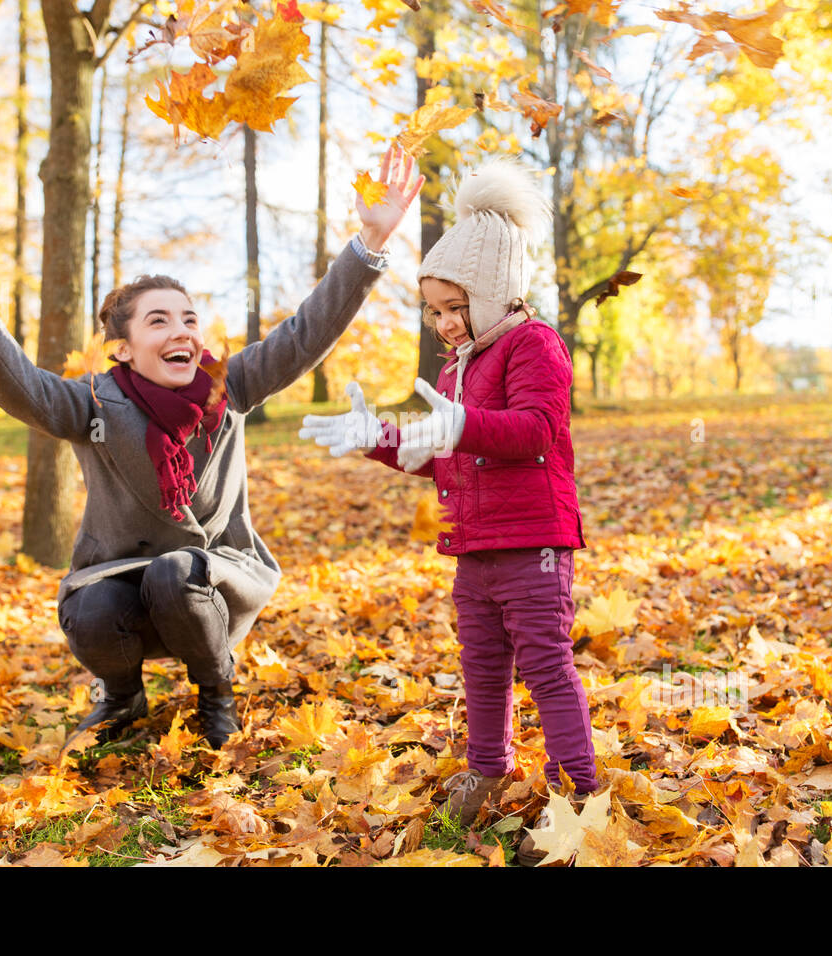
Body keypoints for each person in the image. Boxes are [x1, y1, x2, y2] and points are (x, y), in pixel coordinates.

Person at [0, 145, 423, 748]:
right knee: (90, 610)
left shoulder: (227, 386)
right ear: (123, 348)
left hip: (208, 579)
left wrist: (368, 244)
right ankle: (122, 695)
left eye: (188, 319)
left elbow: (305, 333)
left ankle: (216, 688)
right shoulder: (92, 402)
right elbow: (26, 391)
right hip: (118, 585)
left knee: (173, 570)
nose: (181, 330)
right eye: (158, 321)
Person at [299, 158, 596, 864]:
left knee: (546, 664)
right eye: (433, 310)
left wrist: (461, 424)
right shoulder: (453, 370)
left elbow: (534, 430)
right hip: (473, 546)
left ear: (493, 293)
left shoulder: (533, 344)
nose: (443, 323)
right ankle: (488, 768)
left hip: (533, 542)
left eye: (454, 307)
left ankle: (577, 794)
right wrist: (380, 439)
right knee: (482, 663)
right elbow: (445, 450)